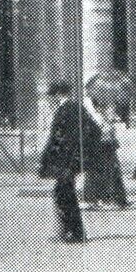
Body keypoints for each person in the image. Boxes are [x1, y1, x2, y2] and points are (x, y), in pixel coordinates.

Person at [38, 80, 101, 244]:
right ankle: (71, 231)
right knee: (64, 193)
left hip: (65, 161)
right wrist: (84, 152)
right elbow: (95, 130)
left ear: (58, 95)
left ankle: (74, 232)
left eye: (53, 97)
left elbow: (55, 139)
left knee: (63, 194)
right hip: (73, 159)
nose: (51, 100)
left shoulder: (63, 111)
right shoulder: (77, 108)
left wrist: (48, 158)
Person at [81, 77, 128, 209]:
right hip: (100, 142)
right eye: (98, 87)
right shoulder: (89, 103)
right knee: (102, 171)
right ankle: (105, 199)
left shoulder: (100, 102)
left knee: (108, 170)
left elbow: (107, 122)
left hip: (105, 142)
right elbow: (98, 123)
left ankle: (116, 199)